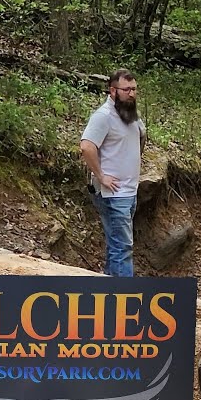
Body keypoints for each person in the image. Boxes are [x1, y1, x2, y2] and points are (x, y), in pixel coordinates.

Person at [80, 69, 146, 276]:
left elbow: (140, 138)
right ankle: (124, 298)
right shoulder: (103, 116)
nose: (131, 94)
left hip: (129, 191)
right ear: (112, 91)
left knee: (117, 246)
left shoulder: (130, 115)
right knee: (122, 248)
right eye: (126, 89)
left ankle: (111, 295)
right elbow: (86, 147)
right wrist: (101, 176)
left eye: (134, 89)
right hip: (113, 194)